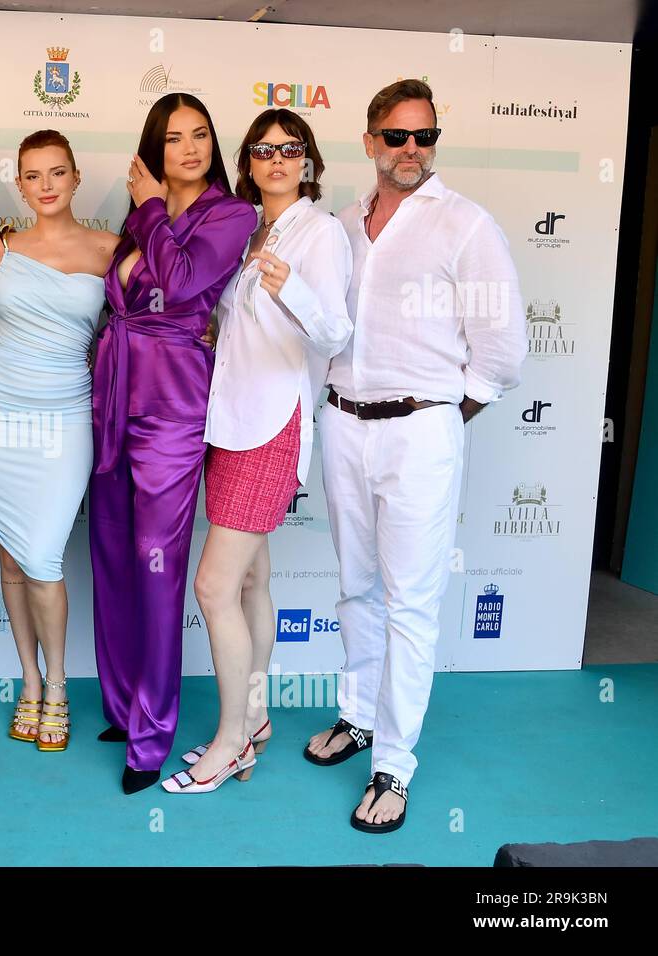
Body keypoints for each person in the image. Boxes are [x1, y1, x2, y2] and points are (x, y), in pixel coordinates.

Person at [305, 79, 525, 831]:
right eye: (396, 137)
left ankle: (393, 766)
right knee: (356, 586)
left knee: (411, 604)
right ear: (369, 141)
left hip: (422, 430)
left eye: (424, 137)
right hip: (342, 423)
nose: (410, 151)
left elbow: (500, 352)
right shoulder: (338, 226)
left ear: (435, 143)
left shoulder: (466, 225)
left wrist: (439, 418)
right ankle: (357, 716)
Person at [165, 109, 352, 794]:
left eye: (290, 149)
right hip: (230, 421)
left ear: (308, 160)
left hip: (273, 424)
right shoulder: (248, 227)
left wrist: (290, 287)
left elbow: (335, 334)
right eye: (264, 149)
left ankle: (231, 741)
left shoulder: (321, 232)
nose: (277, 159)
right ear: (249, 160)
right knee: (249, 582)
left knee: (213, 586)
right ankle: (257, 713)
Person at [91, 92, 255, 794]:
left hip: (173, 411)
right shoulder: (140, 219)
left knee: (158, 573)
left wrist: (153, 206)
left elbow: (184, 285)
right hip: (114, 399)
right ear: (154, 147)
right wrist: (149, 213)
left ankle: (153, 736)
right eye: (174, 137)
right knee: (113, 558)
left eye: (201, 135)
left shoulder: (231, 214)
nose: (189, 147)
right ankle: (125, 704)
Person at [0, 130, 116, 752]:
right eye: (33, 175)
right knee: (9, 559)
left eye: (58, 172)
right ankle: (28, 681)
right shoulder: (0, 248)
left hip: (62, 420)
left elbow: (140, 332)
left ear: (76, 178)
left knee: (45, 558)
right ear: (20, 184)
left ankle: (58, 685)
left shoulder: (112, 250)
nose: (46, 184)